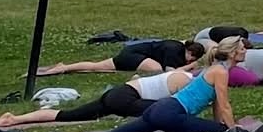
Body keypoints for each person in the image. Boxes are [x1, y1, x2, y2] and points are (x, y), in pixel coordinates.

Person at [14, 42, 243, 132]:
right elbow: (224, 104)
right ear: (233, 53)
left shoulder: (215, 70)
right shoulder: (221, 72)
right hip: (170, 113)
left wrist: (223, 126)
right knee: (218, 131)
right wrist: (230, 129)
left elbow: (216, 106)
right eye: (242, 48)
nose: (246, 51)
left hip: (162, 110)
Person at [0, 70, 196, 129]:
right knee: (165, 113)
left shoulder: (183, 75)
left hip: (118, 93)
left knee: (68, 116)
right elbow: (176, 108)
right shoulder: (185, 80)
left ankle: (13, 119)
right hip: (125, 97)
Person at [35, 39, 204, 77]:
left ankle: (65, 67)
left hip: (132, 52)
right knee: (157, 70)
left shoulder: (178, 47)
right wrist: (190, 67)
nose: (189, 61)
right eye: (191, 58)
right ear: (189, 52)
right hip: (135, 55)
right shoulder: (174, 51)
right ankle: (63, 67)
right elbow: (170, 72)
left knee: (98, 66)